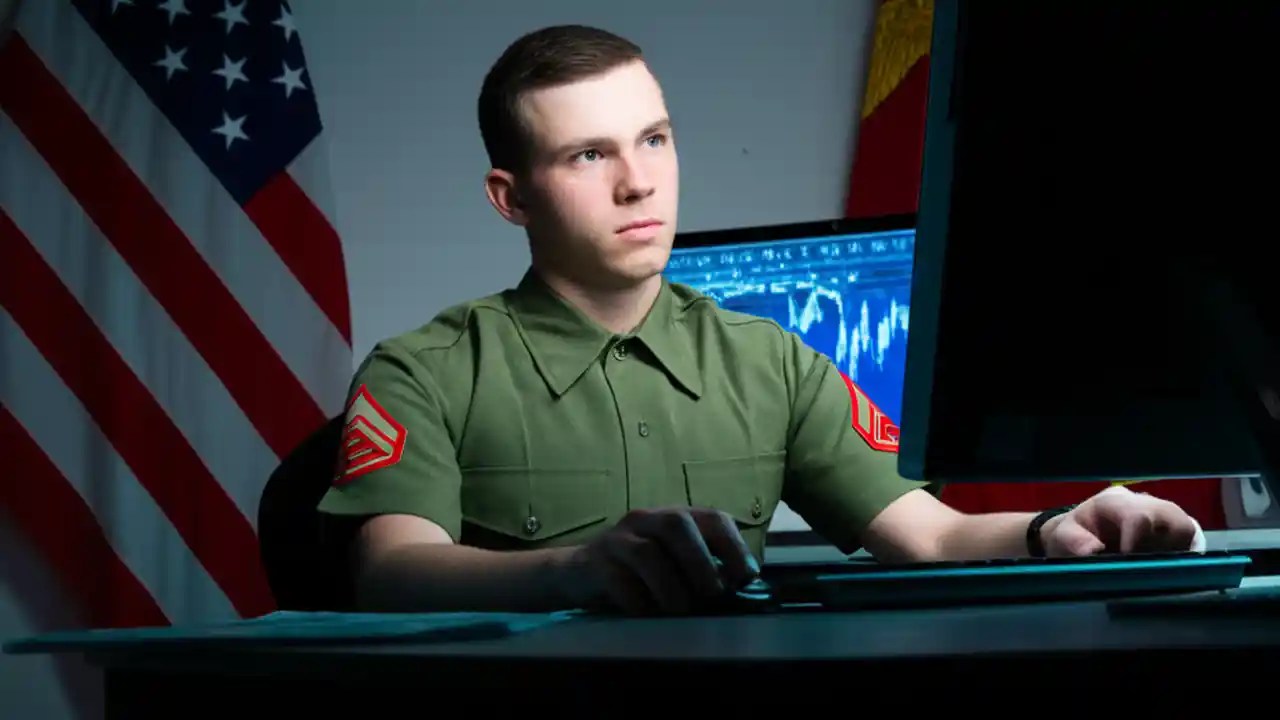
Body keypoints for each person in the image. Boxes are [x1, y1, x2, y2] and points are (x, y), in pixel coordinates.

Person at [316, 24, 1205, 616]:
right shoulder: (424, 371)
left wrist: (1061, 526)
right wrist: (574, 568)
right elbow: (387, 568)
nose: (639, 182)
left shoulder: (769, 360)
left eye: (654, 139)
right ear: (510, 199)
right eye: (590, 154)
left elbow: (926, 533)